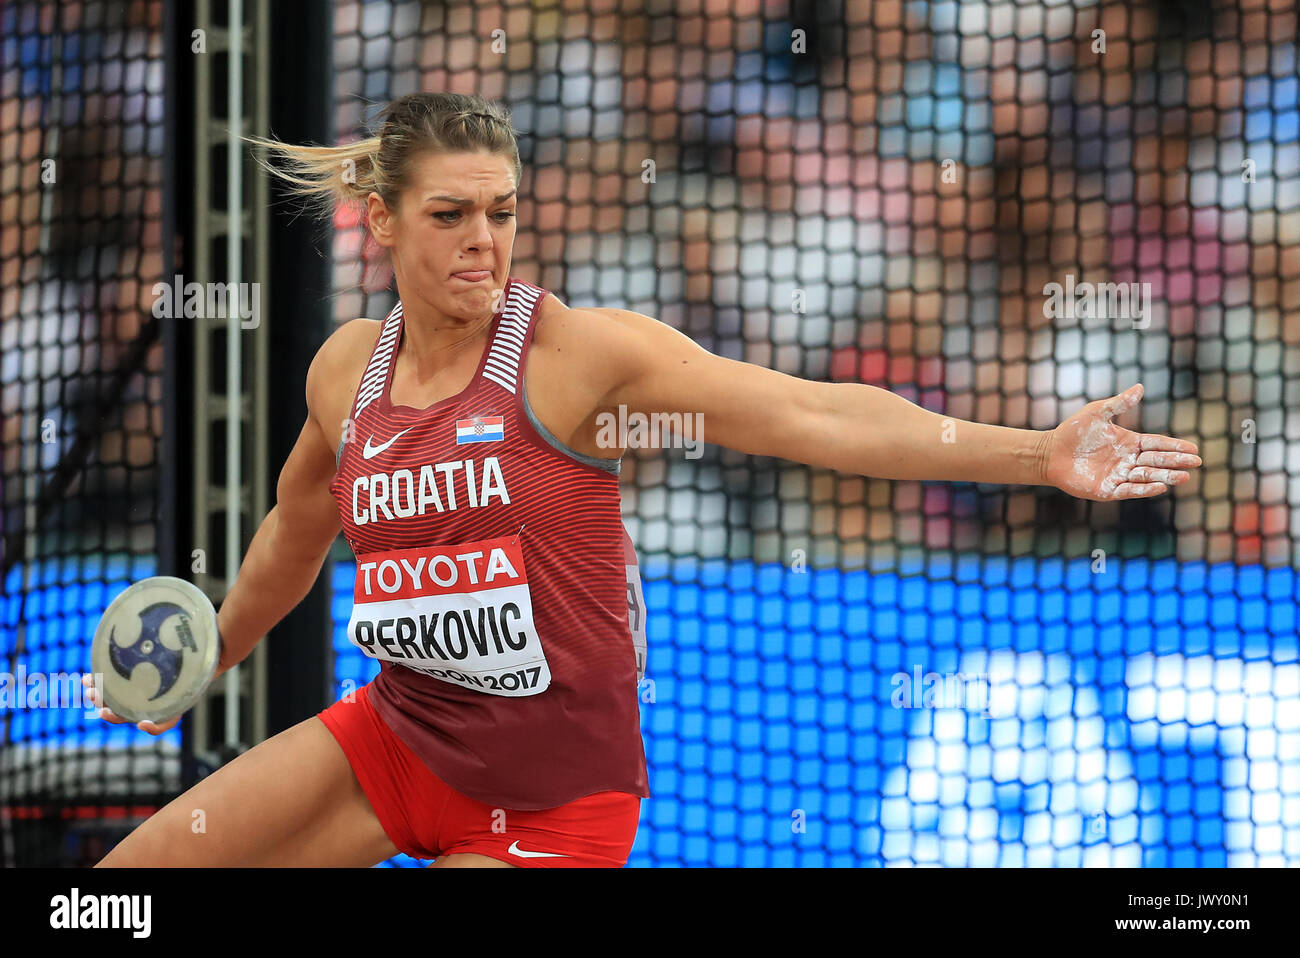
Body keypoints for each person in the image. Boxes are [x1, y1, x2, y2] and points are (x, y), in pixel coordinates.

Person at [87, 91, 1202, 868]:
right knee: (111, 900)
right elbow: (295, 524)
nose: (486, 241)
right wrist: (209, 654)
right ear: (378, 220)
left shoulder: (573, 355)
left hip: (550, 806)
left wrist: (1034, 454)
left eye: (503, 212)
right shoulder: (348, 370)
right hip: (396, 738)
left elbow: (813, 413)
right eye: (451, 214)